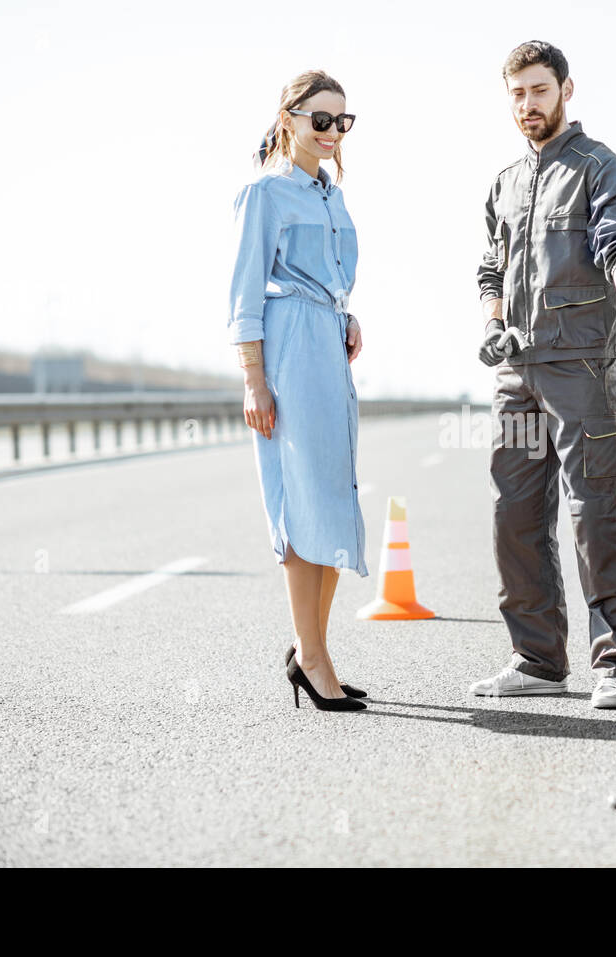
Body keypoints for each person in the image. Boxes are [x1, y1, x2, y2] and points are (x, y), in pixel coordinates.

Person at [470, 41, 616, 709]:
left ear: (566, 91)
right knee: (514, 514)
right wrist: (492, 323)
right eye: (517, 94)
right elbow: (490, 267)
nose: (528, 104)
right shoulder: (504, 182)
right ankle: (537, 658)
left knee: (596, 509)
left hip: (579, 368)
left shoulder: (601, 169)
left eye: (539, 90)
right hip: (516, 374)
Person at [228, 69, 368, 713]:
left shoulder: (331, 194)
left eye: (343, 121)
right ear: (289, 118)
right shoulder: (265, 193)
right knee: (300, 501)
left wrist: (348, 315)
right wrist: (255, 382)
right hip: (286, 352)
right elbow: (245, 297)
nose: (333, 132)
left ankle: (309, 648)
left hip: (329, 351)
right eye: (321, 120)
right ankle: (313, 659)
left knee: (334, 504)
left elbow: (331, 275)